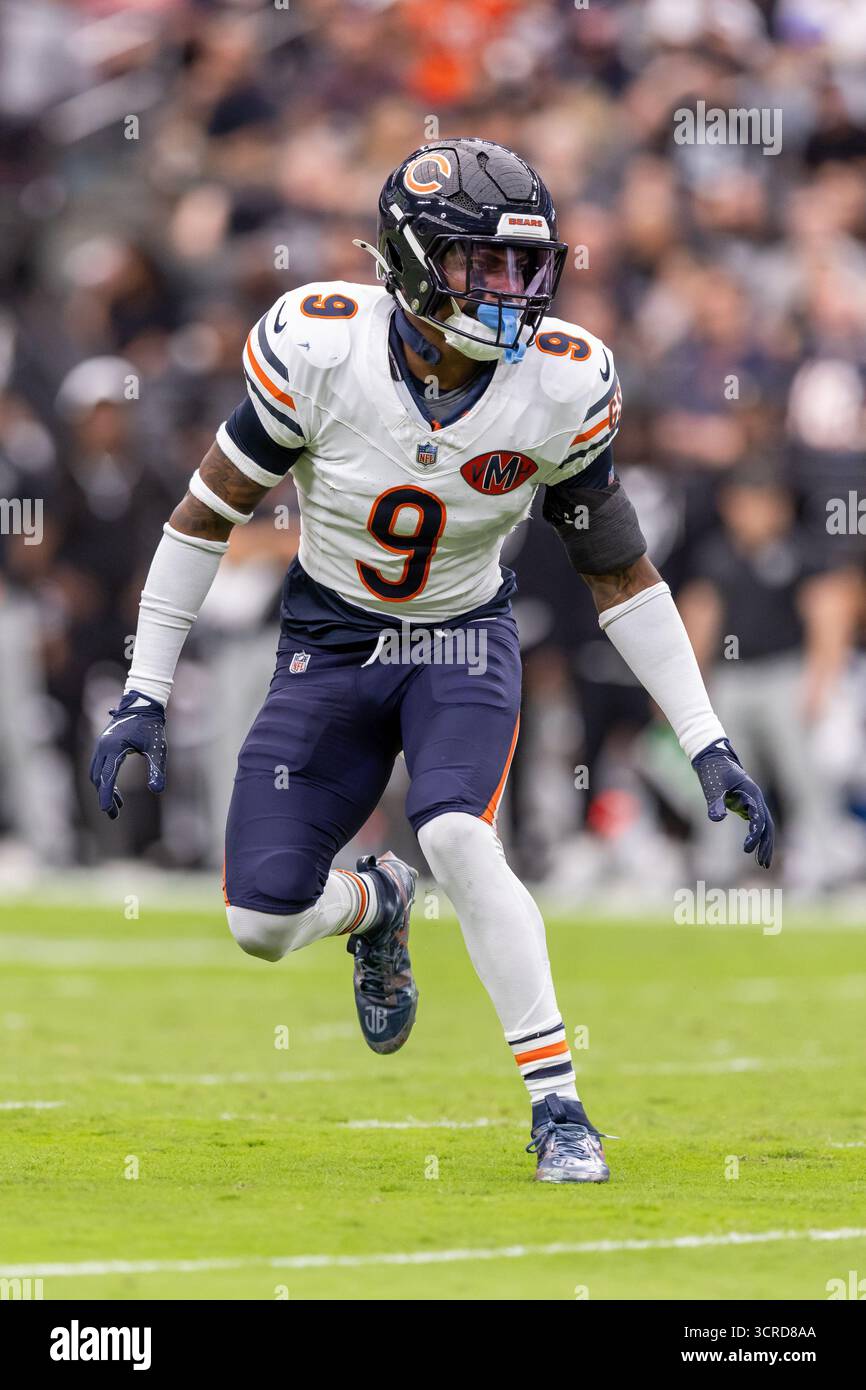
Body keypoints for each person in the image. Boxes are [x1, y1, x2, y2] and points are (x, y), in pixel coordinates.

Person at [89, 138, 773, 1183]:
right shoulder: (320, 349)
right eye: (480, 265)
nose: (510, 292)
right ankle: (375, 904)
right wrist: (144, 691)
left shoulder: (559, 385)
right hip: (328, 642)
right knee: (257, 924)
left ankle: (558, 1109)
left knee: (457, 829)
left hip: (460, 640)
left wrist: (705, 736)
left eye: (522, 267)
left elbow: (619, 575)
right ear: (411, 263)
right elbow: (203, 517)